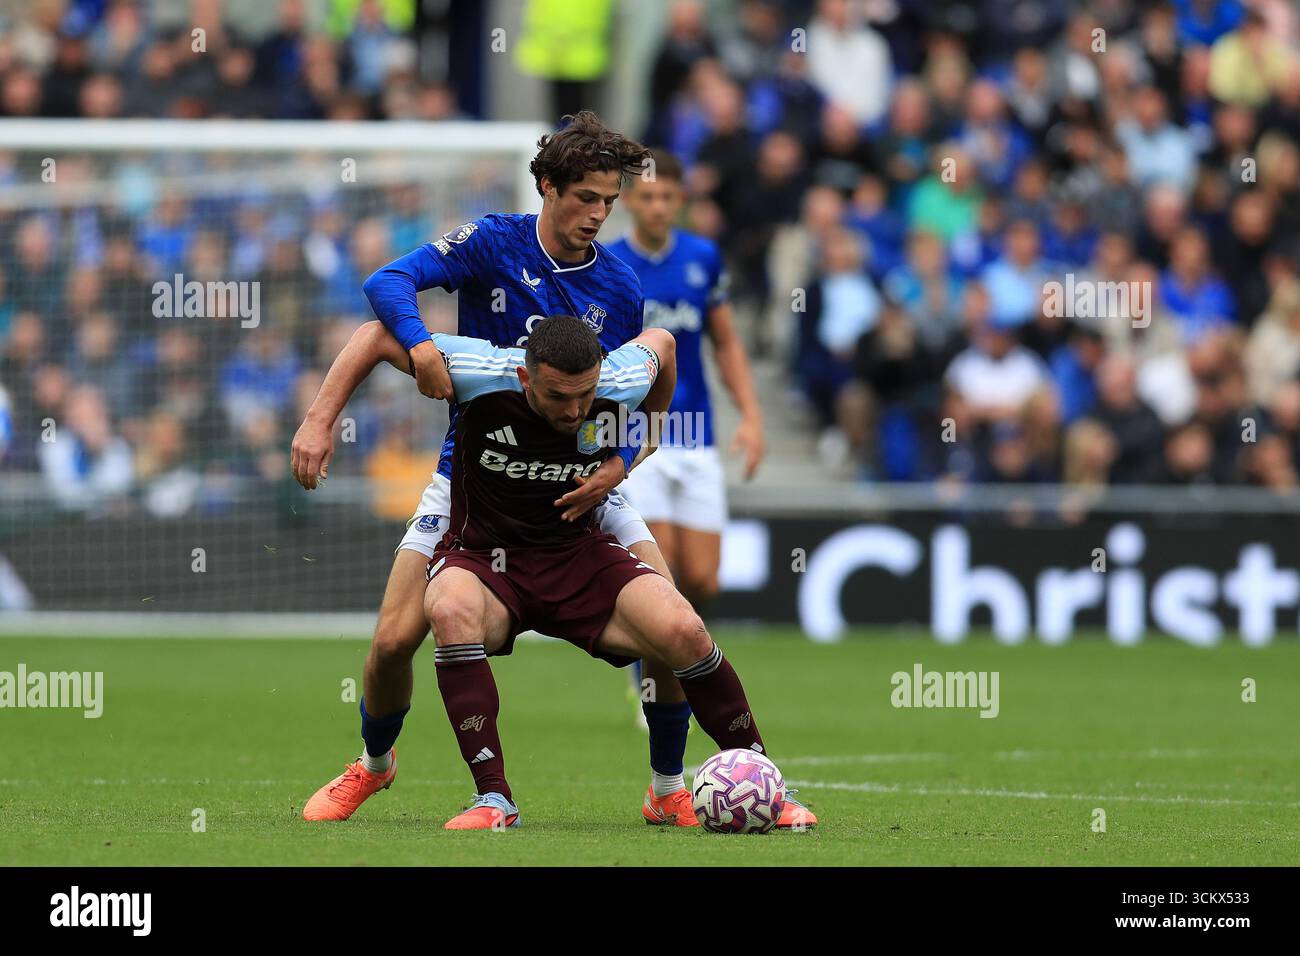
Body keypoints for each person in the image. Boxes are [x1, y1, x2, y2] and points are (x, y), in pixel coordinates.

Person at [294, 112, 713, 828]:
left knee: (674, 631)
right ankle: (374, 765)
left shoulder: (616, 284)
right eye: (586, 198)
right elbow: (388, 283)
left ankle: (667, 784)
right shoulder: (492, 243)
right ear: (548, 186)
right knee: (393, 642)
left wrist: (616, 463)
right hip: (474, 480)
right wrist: (412, 356)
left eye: (609, 202)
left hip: (580, 488)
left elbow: (618, 396)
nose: (598, 214)